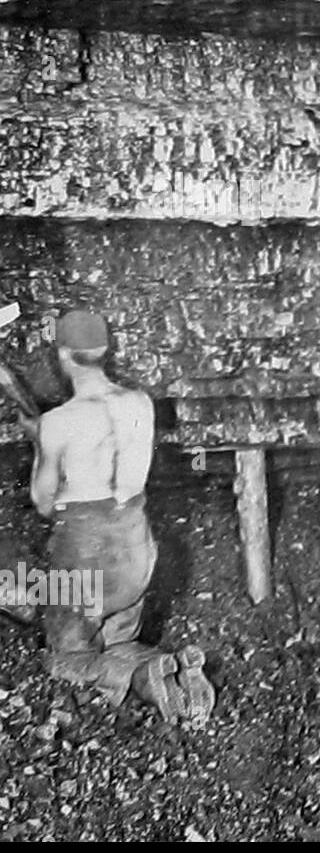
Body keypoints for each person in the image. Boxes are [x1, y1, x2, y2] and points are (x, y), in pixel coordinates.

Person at [23, 310, 214, 725]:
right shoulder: (140, 403)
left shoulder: (58, 422)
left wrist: (40, 443)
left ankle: (129, 674)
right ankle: (165, 668)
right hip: (136, 552)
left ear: (63, 355)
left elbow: (42, 501)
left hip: (84, 560)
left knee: (64, 658)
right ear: (106, 350)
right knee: (118, 637)